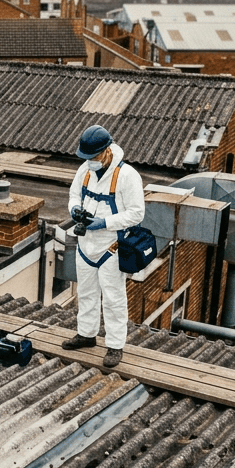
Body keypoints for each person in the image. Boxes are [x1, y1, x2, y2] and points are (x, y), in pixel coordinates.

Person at [62, 124, 144, 368]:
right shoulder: (84, 170)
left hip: (111, 246)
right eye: (86, 158)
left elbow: (136, 214)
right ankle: (86, 334)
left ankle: (115, 345)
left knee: (113, 298)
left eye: (94, 157)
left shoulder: (127, 175)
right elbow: (74, 195)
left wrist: (104, 223)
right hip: (86, 244)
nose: (90, 162)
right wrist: (75, 209)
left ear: (107, 151)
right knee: (86, 292)